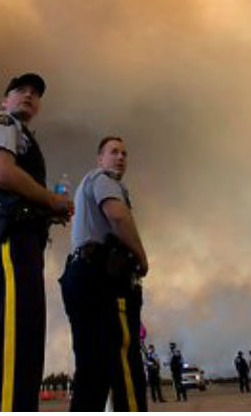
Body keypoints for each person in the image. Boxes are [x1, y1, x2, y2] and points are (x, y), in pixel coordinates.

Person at [0, 73, 74, 412]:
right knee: (17, 348)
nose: (29, 95)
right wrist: (50, 200)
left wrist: (48, 209)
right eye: (20, 90)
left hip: (17, 242)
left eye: (35, 93)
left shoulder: (22, 135)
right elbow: (0, 171)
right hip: (9, 242)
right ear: (5, 100)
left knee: (6, 350)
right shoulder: (1, 122)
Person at [60, 136, 149, 411]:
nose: (120, 157)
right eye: (113, 152)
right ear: (100, 159)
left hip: (79, 275)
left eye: (124, 152)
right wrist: (142, 258)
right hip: (103, 278)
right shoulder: (104, 178)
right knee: (124, 358)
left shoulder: (88, 183)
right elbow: (118, 216)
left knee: (91, 366)